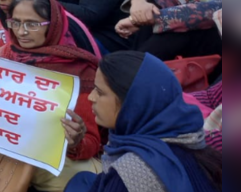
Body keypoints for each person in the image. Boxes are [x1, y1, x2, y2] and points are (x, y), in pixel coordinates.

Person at [64, 52, 221, 192]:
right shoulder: (190, 140)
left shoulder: (130, 174)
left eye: (100, 92)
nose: (91, 97)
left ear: (132, 104)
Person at [0, 0, 103, 192]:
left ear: (53, 24)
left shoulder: (79, 71)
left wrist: (74, 143)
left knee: (84, 178)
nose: (21, 32)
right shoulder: (4, 56)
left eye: (32, 24)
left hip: (52, 161)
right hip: (6, 152)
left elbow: (91, 142)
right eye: (16, 22)